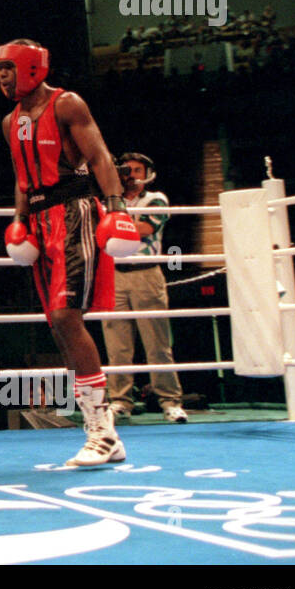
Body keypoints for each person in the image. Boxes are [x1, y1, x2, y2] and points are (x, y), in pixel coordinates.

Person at [0, 39, 141, 467]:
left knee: (66, 317)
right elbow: (22, 177)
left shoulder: (67, 104)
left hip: (74, 213)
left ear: (31, 68)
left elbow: (99, 156)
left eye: (8, 69)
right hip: (38, 223)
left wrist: (116, 208)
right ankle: (100, 431)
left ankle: (103, 432)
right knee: (58, 328)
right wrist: (19, 219)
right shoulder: (10, 122)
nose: (2, 78)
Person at [102, 153, 188, 422]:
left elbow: (145, 228)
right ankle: (120, 401)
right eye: (126, 170)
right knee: (117, 345)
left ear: (148, 173)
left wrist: (113, 225)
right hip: (114, 274)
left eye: (137, 170)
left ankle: (170, 401)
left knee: (158, 343)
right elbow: (98, 230)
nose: (131, 175)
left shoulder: (156, 199)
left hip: (146, 274)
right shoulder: (107, 201)